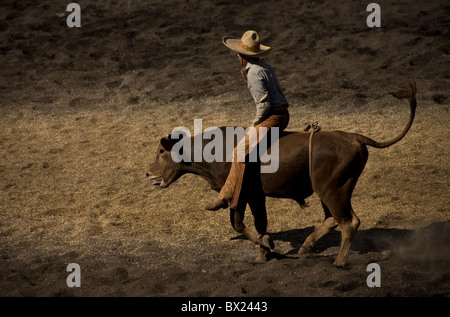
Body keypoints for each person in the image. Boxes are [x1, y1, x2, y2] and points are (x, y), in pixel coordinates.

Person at [205, 30, 290, 211]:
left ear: (244, 56)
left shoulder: (253, 73)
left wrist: (255, 123)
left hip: (272, 117)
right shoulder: (265, 66)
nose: (237, 56)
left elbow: (264, 104)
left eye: (239, 53)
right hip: (282, 113)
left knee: (240, 150)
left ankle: (227, 195)